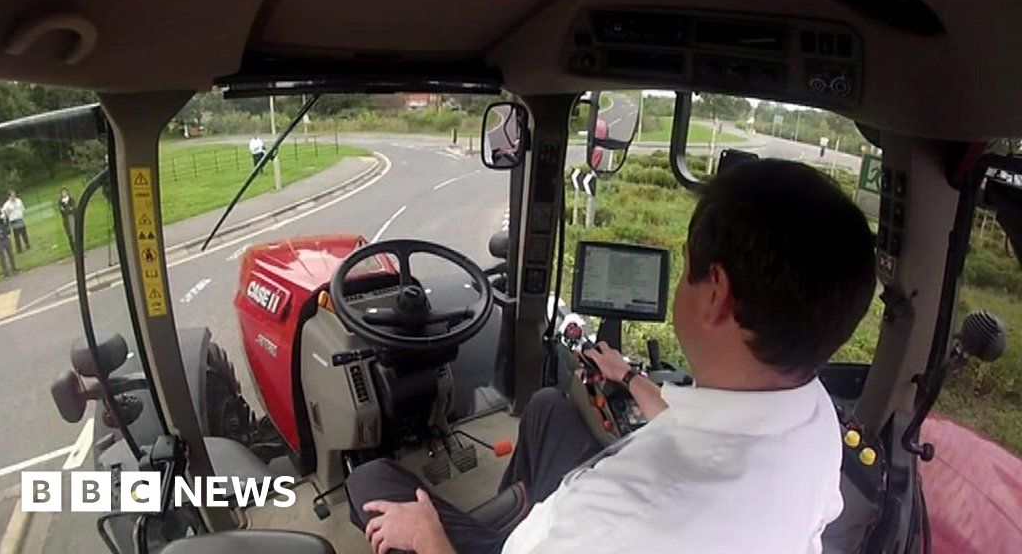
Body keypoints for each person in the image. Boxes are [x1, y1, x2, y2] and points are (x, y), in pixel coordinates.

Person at [344, 159, 877, 554]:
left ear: (716, 294)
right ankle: (511, 514)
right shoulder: (813, 417)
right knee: (551, 407)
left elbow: (623, 515)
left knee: (370, 482)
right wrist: (632, 379)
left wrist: (432, 539)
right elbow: (715, 440)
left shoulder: (615, 522)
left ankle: (486, 535)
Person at [58, 187, 77, 253]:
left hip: (72, 218)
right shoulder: (61, 202)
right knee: (70, 235)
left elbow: (74, 208)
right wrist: (68, 209)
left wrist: (68, 209)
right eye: (63, 192)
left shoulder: (71, 199)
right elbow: (62, 211)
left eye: (65, 192)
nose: (64, 193)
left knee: (75, 233)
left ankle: (78, 248)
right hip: (66, 220)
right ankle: (74, 250)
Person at [0, 209, 16, 278]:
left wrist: (8, 233)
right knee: (2, 256)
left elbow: (7, 224)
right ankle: (5, 272)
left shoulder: (2, 219)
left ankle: (14, 268)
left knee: (10, 253)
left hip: (5, 237)